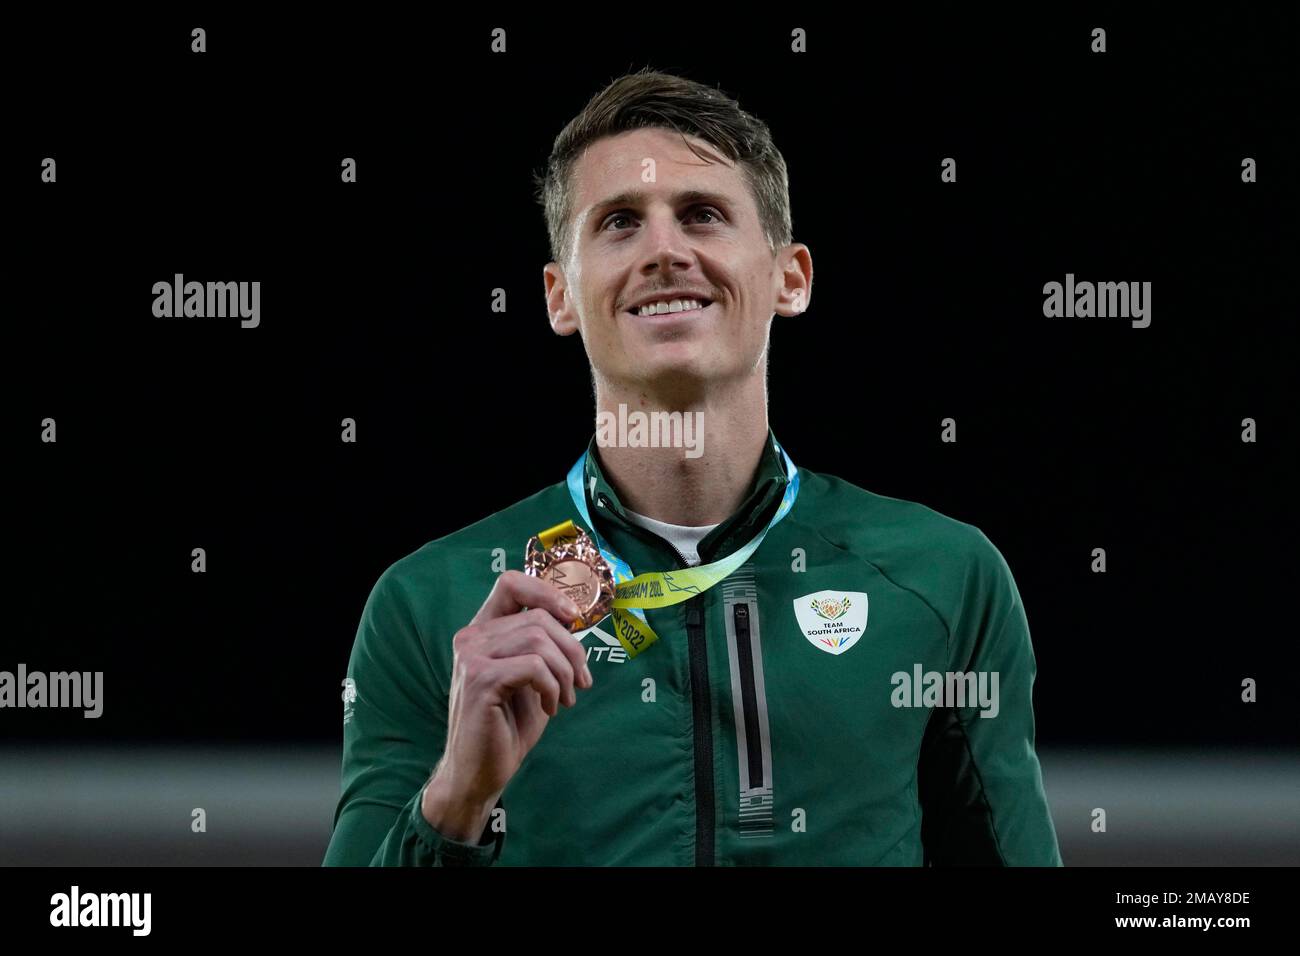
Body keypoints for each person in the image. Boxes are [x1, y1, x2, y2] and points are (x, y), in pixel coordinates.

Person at [322, 68, 1062, 866]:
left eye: (703, 215)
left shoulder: (943, 577)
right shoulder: (433, 606)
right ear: (559, 297)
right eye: (618, 223)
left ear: (791, 277)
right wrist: (457, 800)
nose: (665, 250)